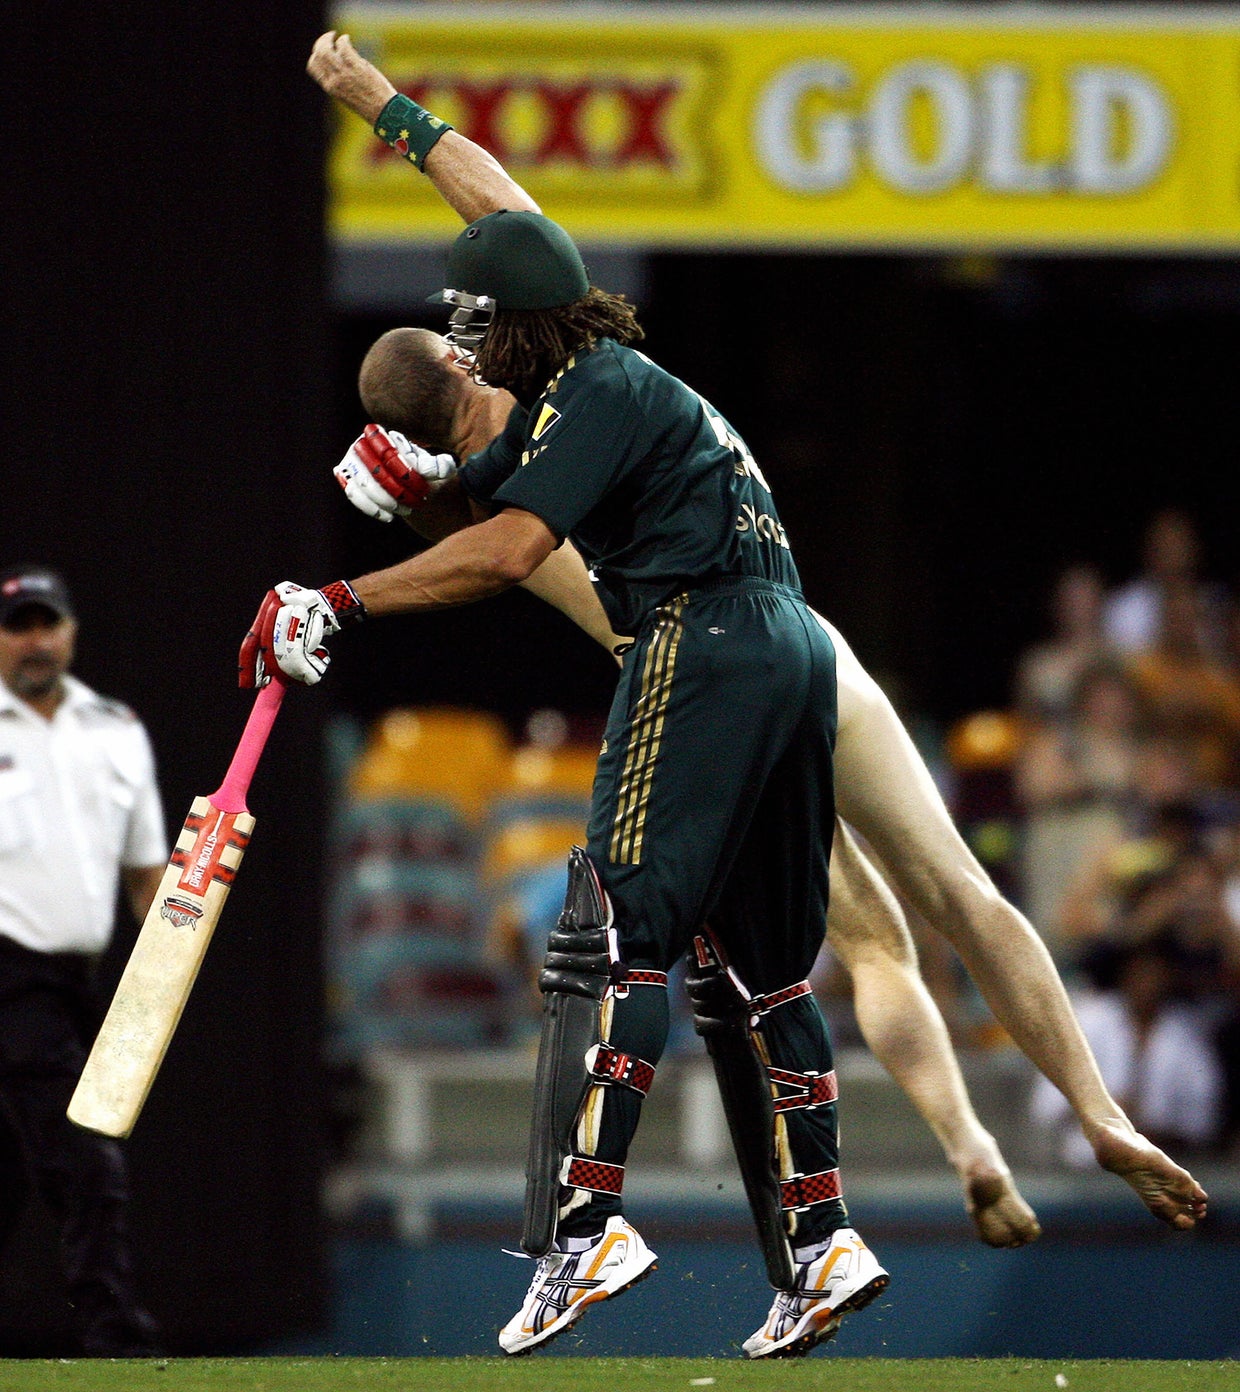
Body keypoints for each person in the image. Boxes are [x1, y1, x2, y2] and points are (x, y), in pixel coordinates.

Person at [251, 30, 890, 1361]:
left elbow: (509, 555)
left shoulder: (586, 395)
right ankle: (824, 1243)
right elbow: (501, 207)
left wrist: (342, 598)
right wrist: (386, 108)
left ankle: (588, 1226)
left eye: (477, 315)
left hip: (701, 643)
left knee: (616, 929)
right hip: (790, 649)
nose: (470, 328)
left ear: (516, 325)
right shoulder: (598, 370)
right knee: (767, 972)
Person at [339, 325, 1209, 1241]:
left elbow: (480, 550)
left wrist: (389, 525)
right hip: (802, 647)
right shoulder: (554, 403)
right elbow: (491, 465)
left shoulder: (495, 488)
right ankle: (1084, 1119)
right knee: (957, 895)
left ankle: (960, 1153)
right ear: (458, 367)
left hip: (713, 694)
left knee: (853, 946)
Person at [0, 566, 164, 1356]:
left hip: (71, 984)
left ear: (70, 630)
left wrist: (178, 944)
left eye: (46, 622)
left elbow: (145, 877)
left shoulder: (116, 728)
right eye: (17, 624)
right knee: (84, 1154)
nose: (34, 639)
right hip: (8, 974)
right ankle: (113, 1333)